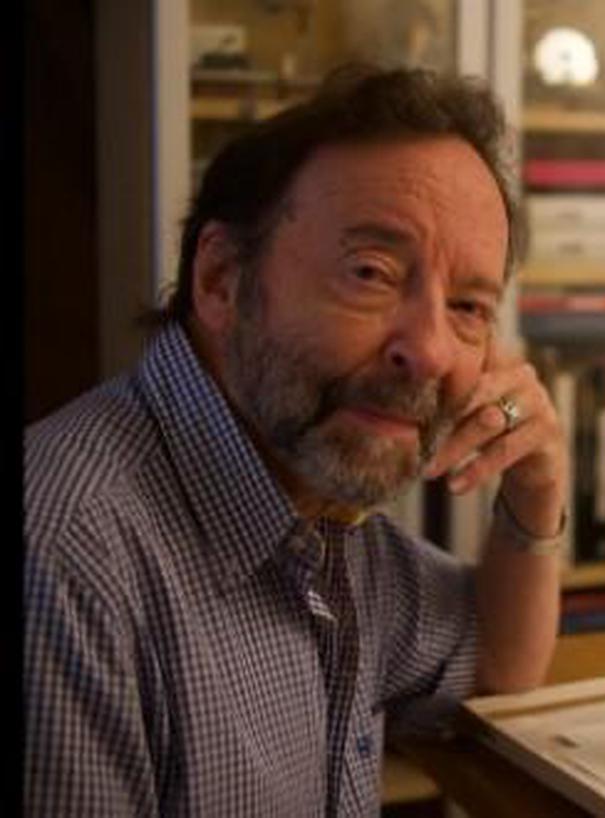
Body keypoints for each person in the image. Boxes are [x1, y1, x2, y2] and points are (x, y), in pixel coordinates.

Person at [24, 65, 566, 816]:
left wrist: (536, 493)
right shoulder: (63, 557)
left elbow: (502, 661)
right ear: (220, 280)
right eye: (371, 273)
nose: (434, 351)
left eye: (469, 305)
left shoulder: (319, 516)